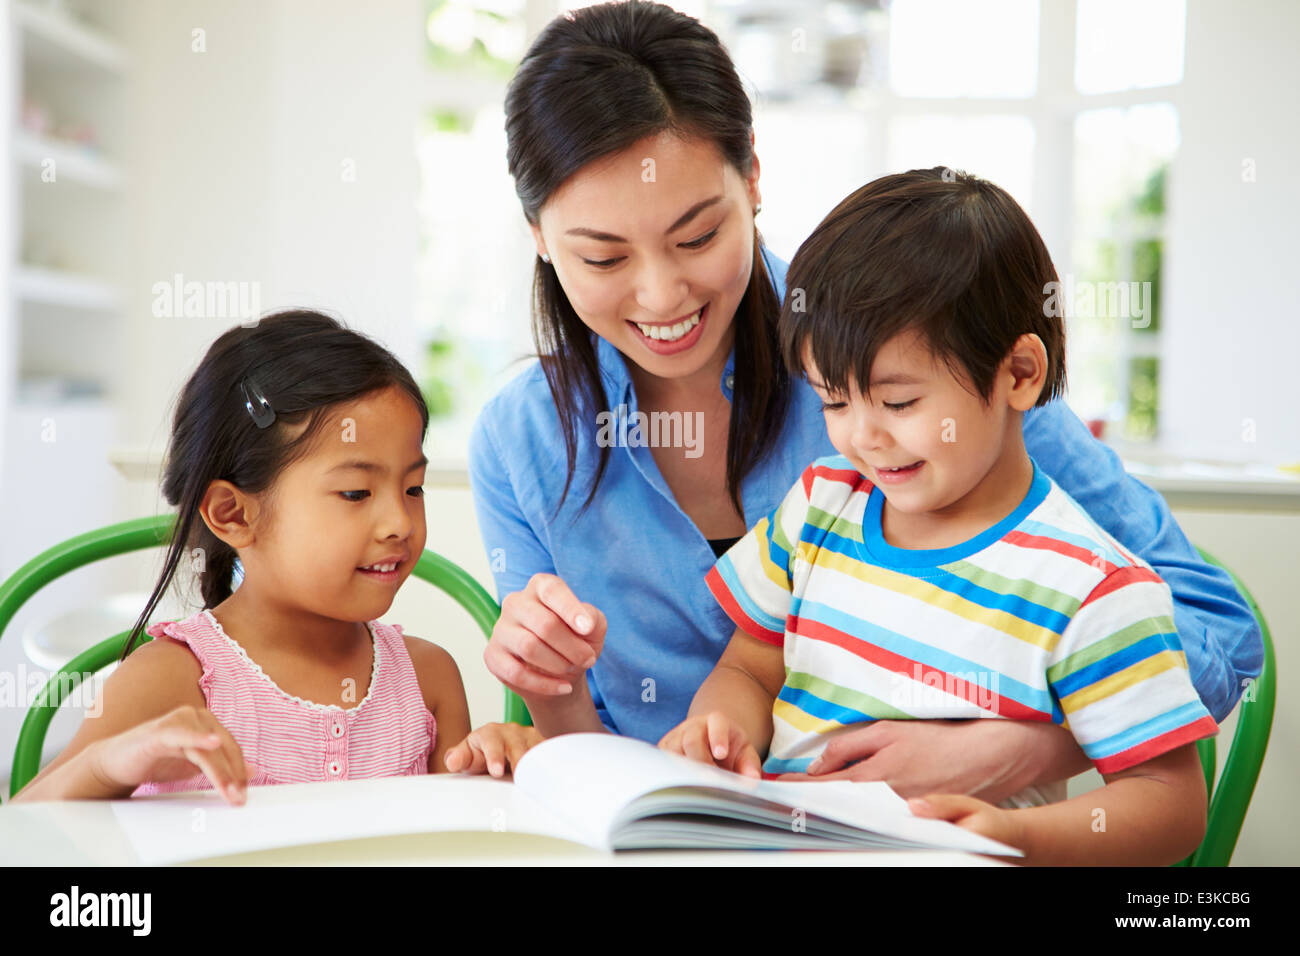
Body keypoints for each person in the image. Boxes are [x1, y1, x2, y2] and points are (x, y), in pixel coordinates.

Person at [469, 1, 1261, 802]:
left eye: (698, 237)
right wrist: (548, 690)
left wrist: (1028, 746)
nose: (661, 292)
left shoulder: (920, 354)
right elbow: (598, 751)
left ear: (751, 178)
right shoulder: (520, 442)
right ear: (538, 233)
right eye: (603, 257)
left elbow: (1219, 635)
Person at [658, 168, 1218, 865]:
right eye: (833, 402)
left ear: (1019, 374)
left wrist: (1020, 836)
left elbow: (1170, 803)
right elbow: (748, 670)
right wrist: (720, 728)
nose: (863, 435)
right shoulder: (818, 509)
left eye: (897, 404)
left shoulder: (1091, 588)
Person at [12, 311, 539, 806]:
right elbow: (20, 833)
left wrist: (495, 779)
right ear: (233, 514)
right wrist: (106, 767)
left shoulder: (429, 679)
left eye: (413, 489)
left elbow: (450, 846)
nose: (400, 522)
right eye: (356, 493)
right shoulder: (170, 683)